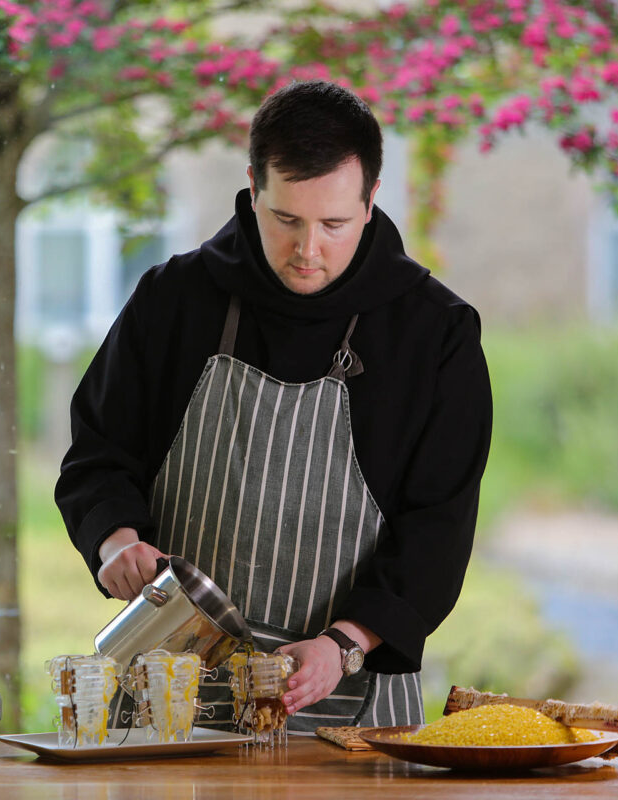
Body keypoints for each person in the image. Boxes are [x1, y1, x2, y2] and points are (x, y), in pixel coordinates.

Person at [55, 80, 492, 731]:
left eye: (334, 224)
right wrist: (115, 539)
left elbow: (438, 528)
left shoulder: (434, 335)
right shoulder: (173, 299)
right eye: (285, 219)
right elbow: (98, 454)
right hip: (169, 689)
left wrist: (344, 642)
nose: (307, 249)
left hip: (348, 696)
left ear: (371, 201)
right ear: (253, 187)